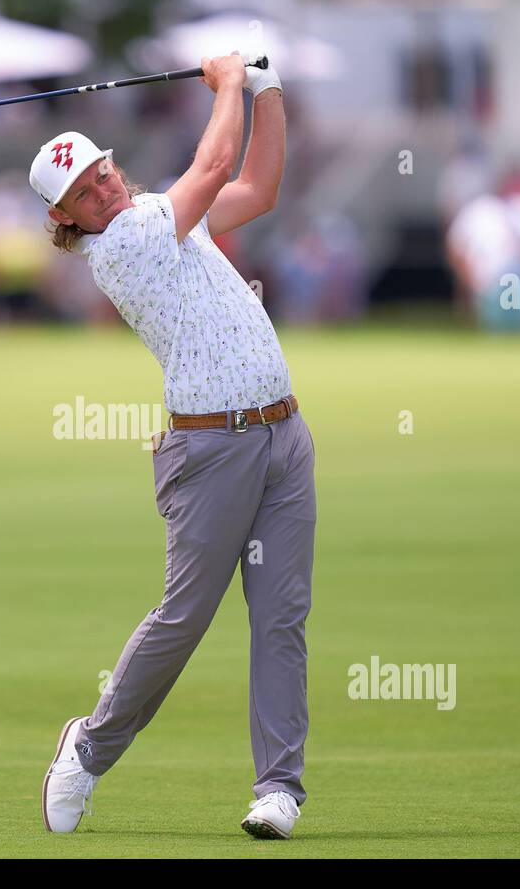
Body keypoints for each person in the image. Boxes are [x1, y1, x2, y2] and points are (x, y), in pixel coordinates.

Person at [31, 54, 315, 840]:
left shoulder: (161, 212)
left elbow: (257, 187)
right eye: (83, 191)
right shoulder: (123, 244)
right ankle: (88, 749)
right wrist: (228, 83)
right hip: (211, 451)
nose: (102, 187)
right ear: (68, 219)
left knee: (282, 617)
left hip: (284, 436)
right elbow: (216, 163)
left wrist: (266, 88)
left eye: (101, 171)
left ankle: (278, 789)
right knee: (184, 617)